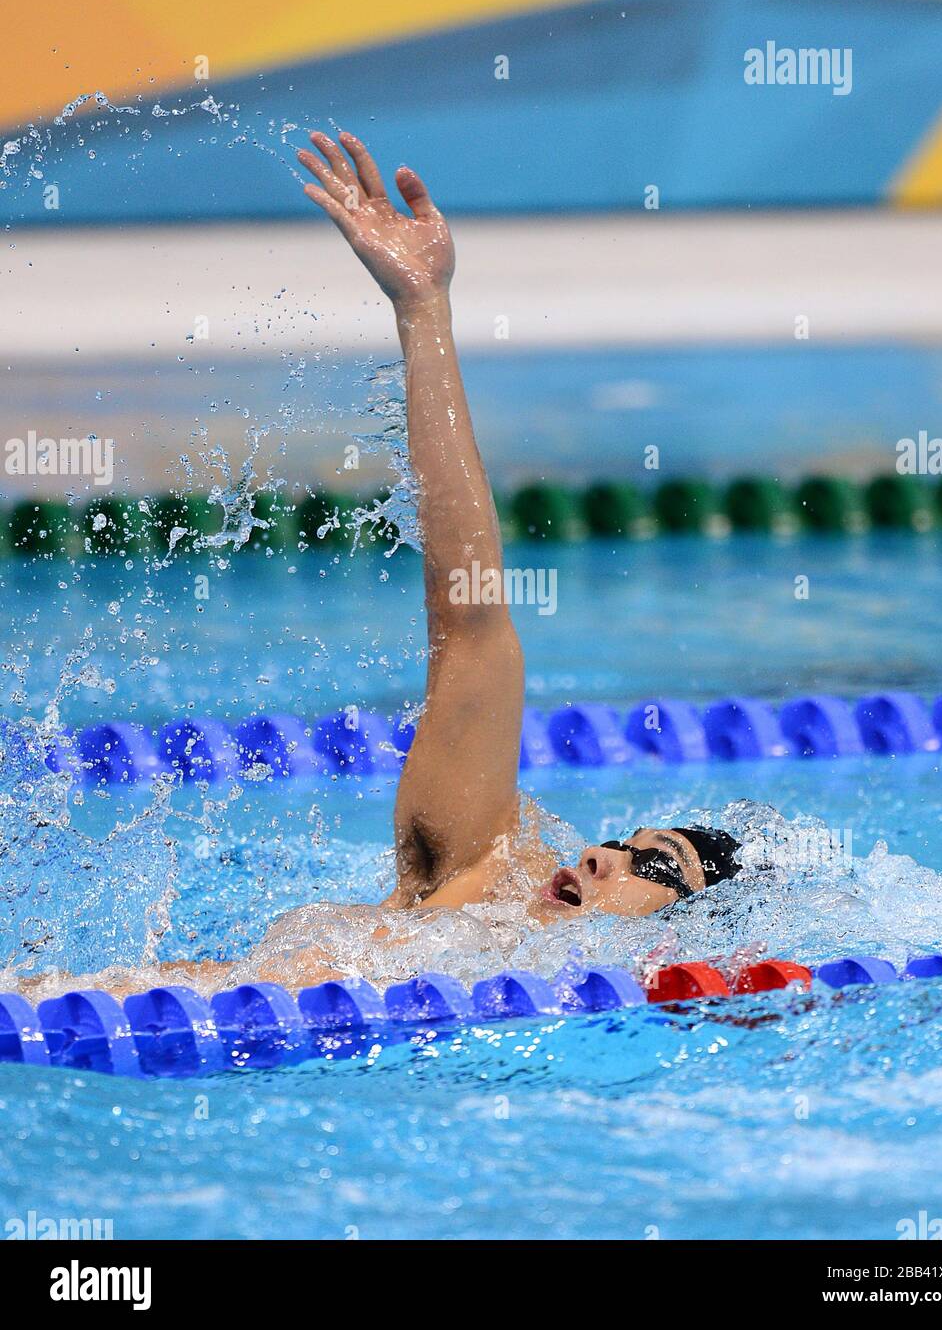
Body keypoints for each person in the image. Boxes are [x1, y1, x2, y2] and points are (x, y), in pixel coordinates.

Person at [23, 131, 744, 1000]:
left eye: (652, 867)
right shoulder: (486, 878)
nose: (599, 852)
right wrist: (423, 310)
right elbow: (470, 624)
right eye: (627, 841)